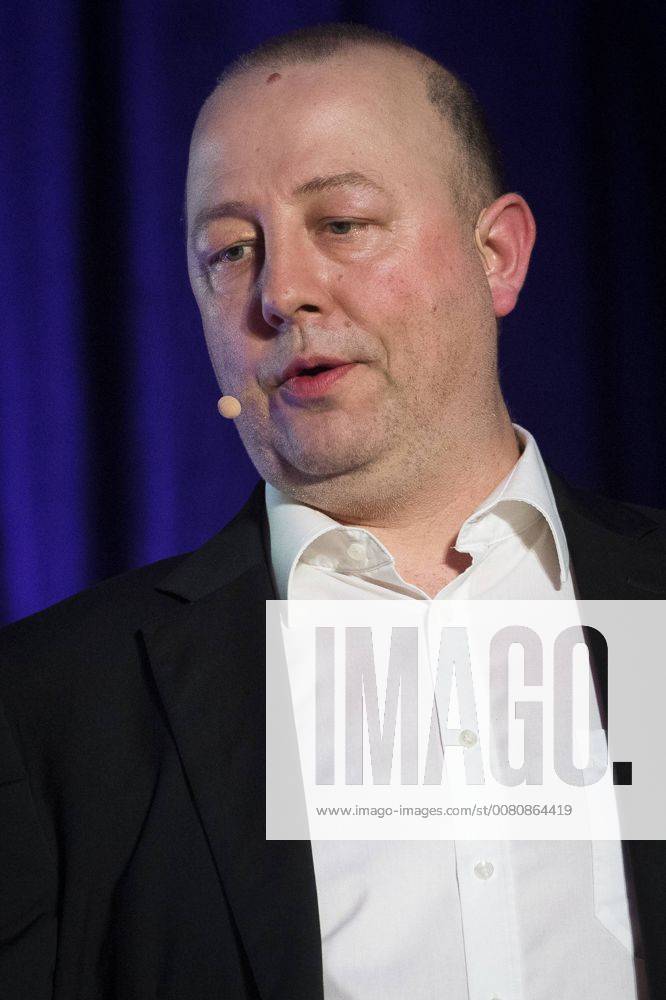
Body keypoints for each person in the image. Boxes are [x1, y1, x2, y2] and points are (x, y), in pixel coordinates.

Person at [0, 21, 664, 1000]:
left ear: (499, 255)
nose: (282, 291)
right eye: (229, 251)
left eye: (343, 224)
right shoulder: (50, 710)